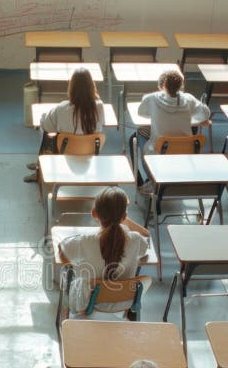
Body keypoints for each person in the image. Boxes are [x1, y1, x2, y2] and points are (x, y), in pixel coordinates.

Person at [58, 187, 150, 317]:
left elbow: (62, 248)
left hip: (88, 301)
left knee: (69, 276)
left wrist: (72, 267)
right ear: (124, 216)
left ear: (94, 213)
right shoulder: (135, 239)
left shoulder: (86, 240)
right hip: (123, 301)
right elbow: (146, 236)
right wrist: (121, 218)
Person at [26, 68, 106, 182]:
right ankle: (40, 165)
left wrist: (44, 116)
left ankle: (40, 168)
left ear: (71, 87)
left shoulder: (62, 107)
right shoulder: (99, 106)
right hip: (90, 150)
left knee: (44, 132)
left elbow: (45, 125)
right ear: (92, 86)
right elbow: (101, 124)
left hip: (65, 150)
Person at [137, 69, 210, 154]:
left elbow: (141, 113)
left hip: (161, 149)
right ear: (180, 86)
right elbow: (205, 114)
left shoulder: (150, 98)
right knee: (194, 128)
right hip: (186, 149)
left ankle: (146, 164)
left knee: (139, 133)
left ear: (161, 86)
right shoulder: (189, 99)